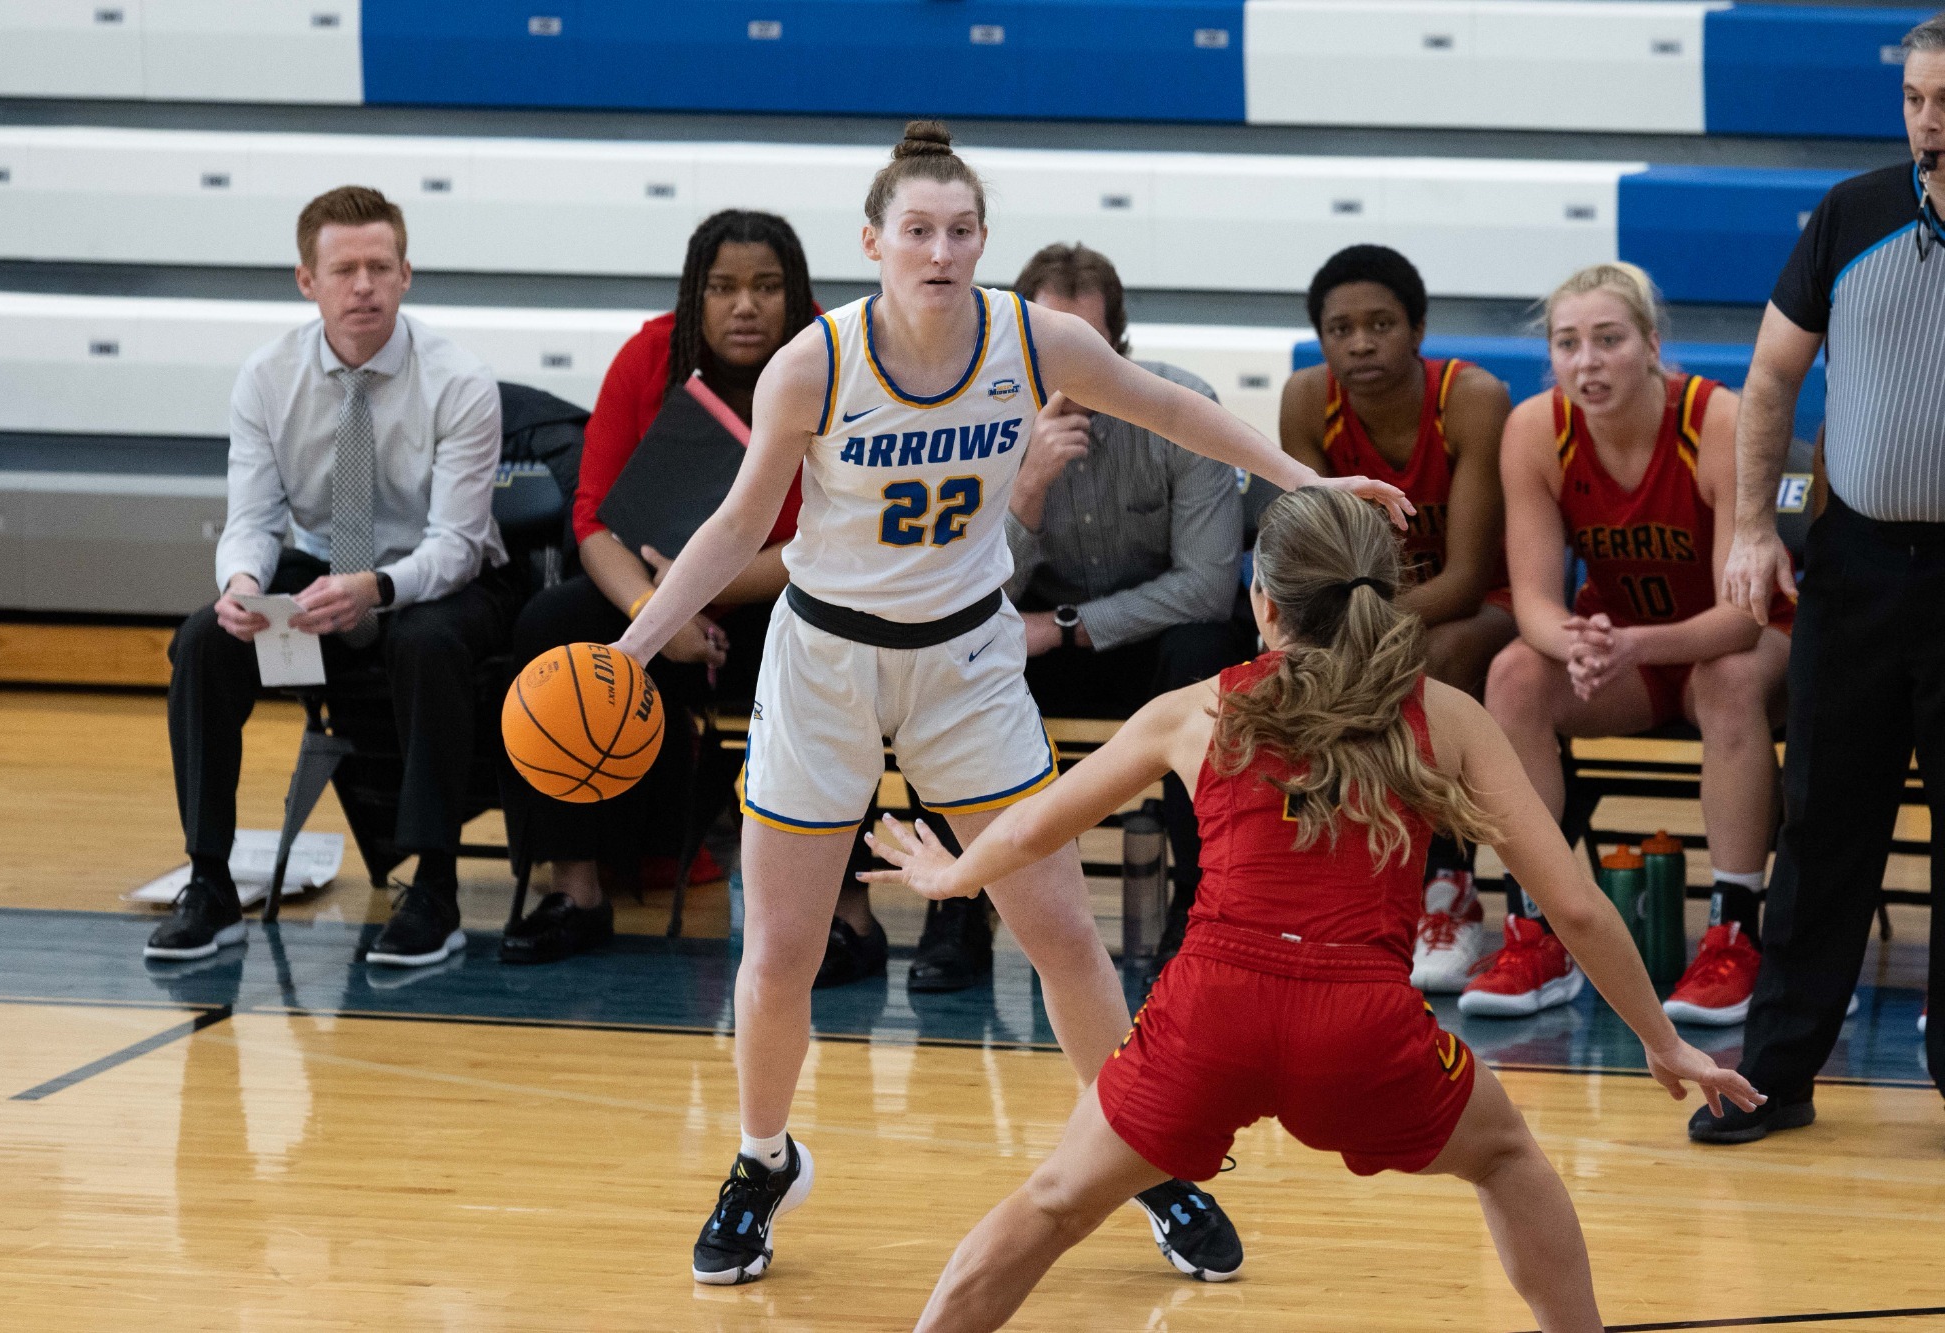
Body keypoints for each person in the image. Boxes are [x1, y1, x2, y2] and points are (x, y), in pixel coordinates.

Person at [611, 120, 1411, 1288]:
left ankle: (1144, 1154)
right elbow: (740, 525)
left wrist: (1308, 479)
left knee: (1060, 933)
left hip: (967, 661)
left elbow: (1174, 412)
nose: (941, 250)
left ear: (983, 239)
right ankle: (761, 1157)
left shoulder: (1030, 339)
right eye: (918, 231)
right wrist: (630, 650)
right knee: (778, 948)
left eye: (962, 230)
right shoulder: (813, 365)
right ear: (874, 242)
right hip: (825, 659)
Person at [859, 487, 1761, 1333]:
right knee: (1506, 1158)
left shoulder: (1197, 709)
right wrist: (1662, 1038)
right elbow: (1578, 907)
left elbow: (1029, 831)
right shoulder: (1445, 716)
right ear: (1387, 597)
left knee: (1055, 1200)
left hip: (1212, 1011)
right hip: (1361, 1026)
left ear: (1265, 603)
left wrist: (955, 873)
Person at [147, 185, 522, 966]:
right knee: (203, 642)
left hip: (437, 579)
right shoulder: (266, 376)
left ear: (407, 275)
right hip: (321, 568)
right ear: (306, 281)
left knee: (426, 641)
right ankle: (210, 882)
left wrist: (374, 589)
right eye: (344, 269)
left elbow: (456, 542)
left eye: (380, 267)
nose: (364, 286)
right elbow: (251, 520)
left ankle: (435, 887)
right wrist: (243, 587)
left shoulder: (459, 381)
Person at [1695, 11, 1945, 1140]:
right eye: (1914, 102)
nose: (1927, 126)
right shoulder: (1851, 212)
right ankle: (1776, 1072)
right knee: (1824, 822)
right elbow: (1768, 375)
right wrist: (1753, 527)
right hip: (1852, 562)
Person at [896, 242, 1249, 990]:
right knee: (946, 658)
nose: (1064, 369)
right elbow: (955, 587)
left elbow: (1209, 587)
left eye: (1084, 348)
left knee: (1211, 651)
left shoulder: (1186, 411)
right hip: (1025, 654)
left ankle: (1201, 910)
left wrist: (1063, 624)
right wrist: (1024, 490)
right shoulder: (969, 424)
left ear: (1118, 347)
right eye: (1046, 347)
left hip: (1148, 646)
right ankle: (958, 907)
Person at [498, 209, 825, 965]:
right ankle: (574, 888)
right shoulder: (648, 356)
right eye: (723, 287)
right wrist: (655, 612)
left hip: (778, 599)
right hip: (652, 602)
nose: (745, 305)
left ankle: (840, 912)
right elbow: (591, 519)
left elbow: (833, 544)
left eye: (768, 287)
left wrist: (700, 591)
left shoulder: (835, 364)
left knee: (835, 632)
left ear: (798, 296)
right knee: (551, 625)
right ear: (693, 296)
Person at [1469, 263, 1791, 1027]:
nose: (1587, 362)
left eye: (1608, 340)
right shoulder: (1534, 429)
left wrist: (1630, 646)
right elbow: (1536, 600)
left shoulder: (1715, 419)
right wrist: (1574, 642)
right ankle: (1538, 928)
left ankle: (1734, 931)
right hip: (1630, 651)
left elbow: (1741, 614)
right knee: (1515, 673)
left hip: (1738, 638)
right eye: (1567, 342)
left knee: (1728, 678)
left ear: (1651, 344)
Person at [1280, 244, 1514, 993]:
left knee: (1435, 654)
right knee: (1285, 671)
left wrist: (1356, 633)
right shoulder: (1305, 402)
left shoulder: (1473, 398)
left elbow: (1469, 579)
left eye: (1380, 323)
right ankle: (1331, 884)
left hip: (1485, 613)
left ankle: (1449, 887)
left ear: (1417, 329)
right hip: (1369, 612)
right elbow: (1319, 554)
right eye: (1340, 328)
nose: (1360, 341)